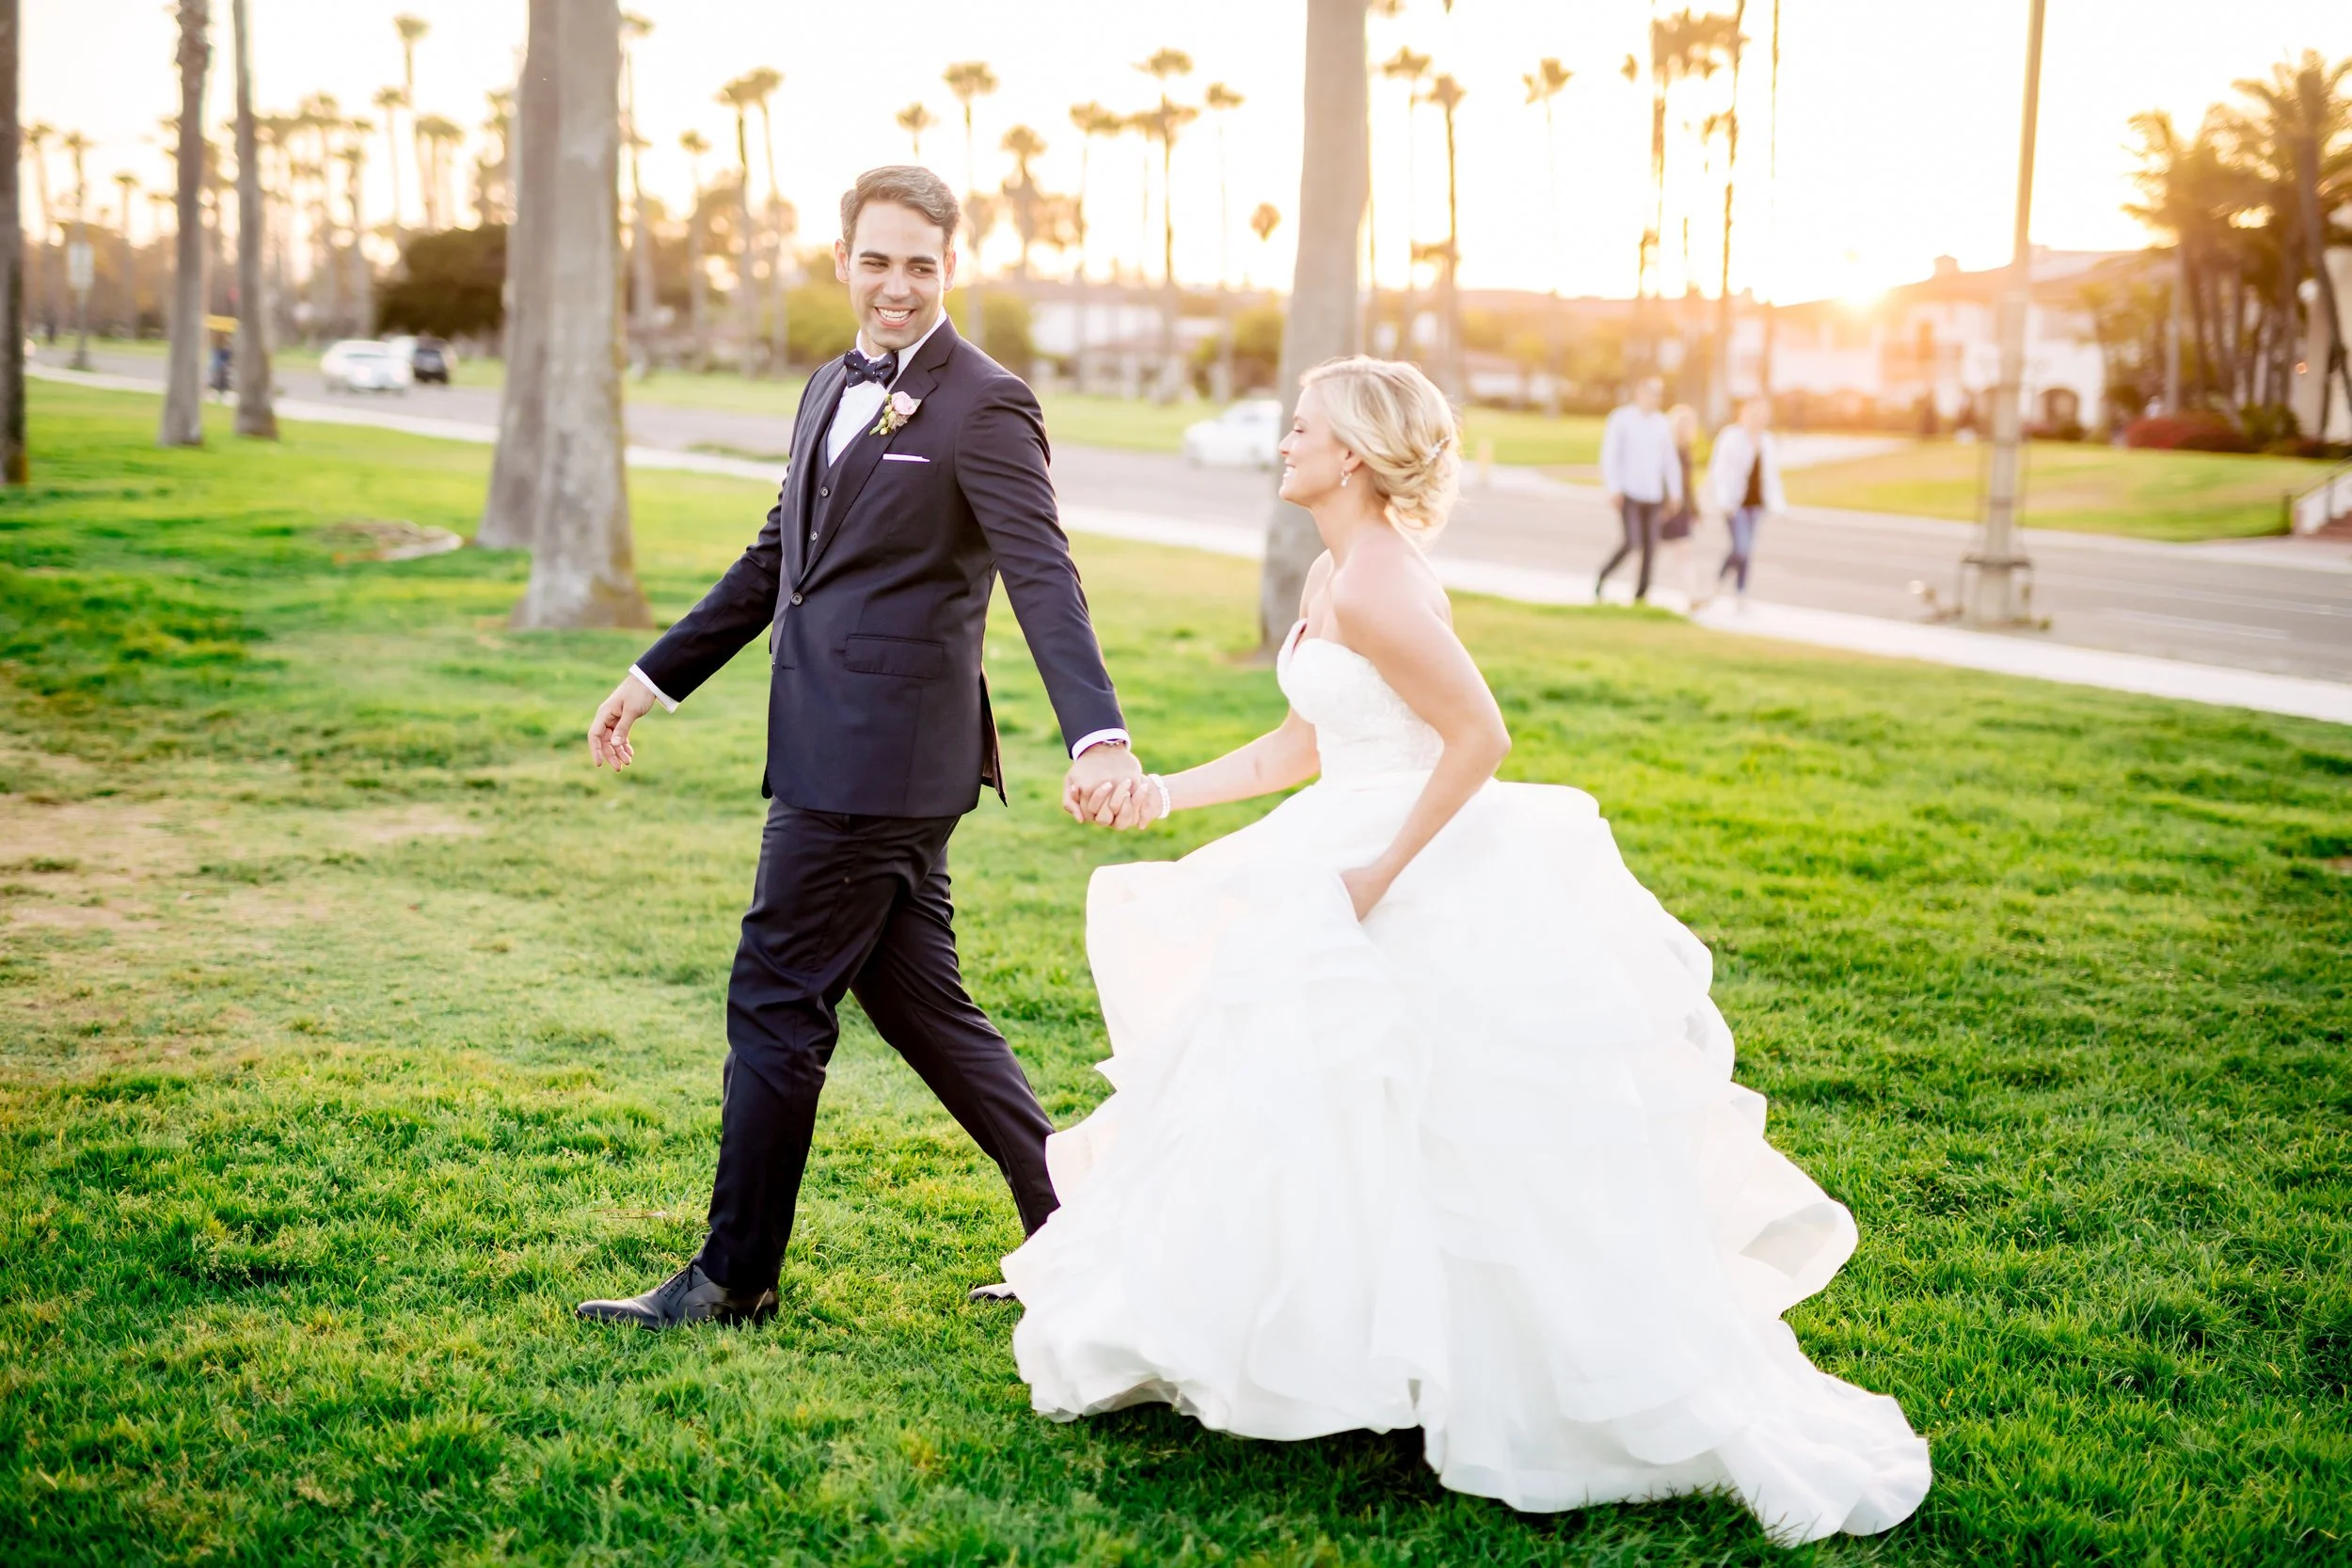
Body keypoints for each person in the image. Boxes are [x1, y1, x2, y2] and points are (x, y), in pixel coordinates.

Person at [1003, 356, 1931, 1545]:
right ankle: (1337, 1354)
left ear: (1354, 455)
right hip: (1341, 840)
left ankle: (1476, 1370)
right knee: (1321, 1113)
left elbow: (1478, 734)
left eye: (1302, 428)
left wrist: (1381, 874)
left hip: (1408, 863)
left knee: (1450, 1126)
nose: (1284, 441)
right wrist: (1165, 793)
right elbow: (1304, 740)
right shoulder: (1337, 568)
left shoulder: (1382, 580)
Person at [573, 166, 1146, 1330]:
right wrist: (653, 677)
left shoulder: (985, 403)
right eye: (876, 261)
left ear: (951, 270)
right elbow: (775, 555)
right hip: (831, 744)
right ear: (841, 259)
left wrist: (1097, 730)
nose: (897, 286)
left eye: (921, 266)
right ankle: (1082, 1221)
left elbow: (1042, 573)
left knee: (777, 998)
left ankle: (733, 1277)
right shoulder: (828, 384)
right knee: (922, 1001)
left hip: (880, 762)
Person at [1594, 374, 1680, 603]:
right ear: (1640, 393)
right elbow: (1610, 456)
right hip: (1629, 492)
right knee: (1632, 541)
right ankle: (1603, 575)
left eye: (1659, 395)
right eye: (1652, 393)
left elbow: (1669, 461)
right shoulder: (1621, 419)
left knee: (1652, 547)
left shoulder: (1662, 423)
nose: (1656, 399)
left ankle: (1641, 595)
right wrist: (1613, 487)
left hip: (1653, 495)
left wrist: (1674, 492)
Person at [1707, 397, 1787, 607]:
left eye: (1763, 415)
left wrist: (1778, 504)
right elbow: (1720, 470)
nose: (1760, 419)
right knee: (1740, 547)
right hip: (1734, 503)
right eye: (1756, 414)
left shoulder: (1767, 440)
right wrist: (1725, 501)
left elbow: (1770, 475)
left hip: (1756, 504)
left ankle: (1740, 592)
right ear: (1745, 414)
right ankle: (1718, 581)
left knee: (1747, 549)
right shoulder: (1731, 437)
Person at [1654, 402, 1703, 607]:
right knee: (1652, 552)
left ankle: (1692, 596)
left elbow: (1687, 485)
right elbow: (1661, 478)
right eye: (1683, 423)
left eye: (1690, 424)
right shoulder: (1667, 448)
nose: (1686, 428)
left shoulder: (1686, 449)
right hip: (1665, 508)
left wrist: (1694, 510)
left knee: (1684, 552)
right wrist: (1663, 506)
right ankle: (1642, 591)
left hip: (1681, 510)